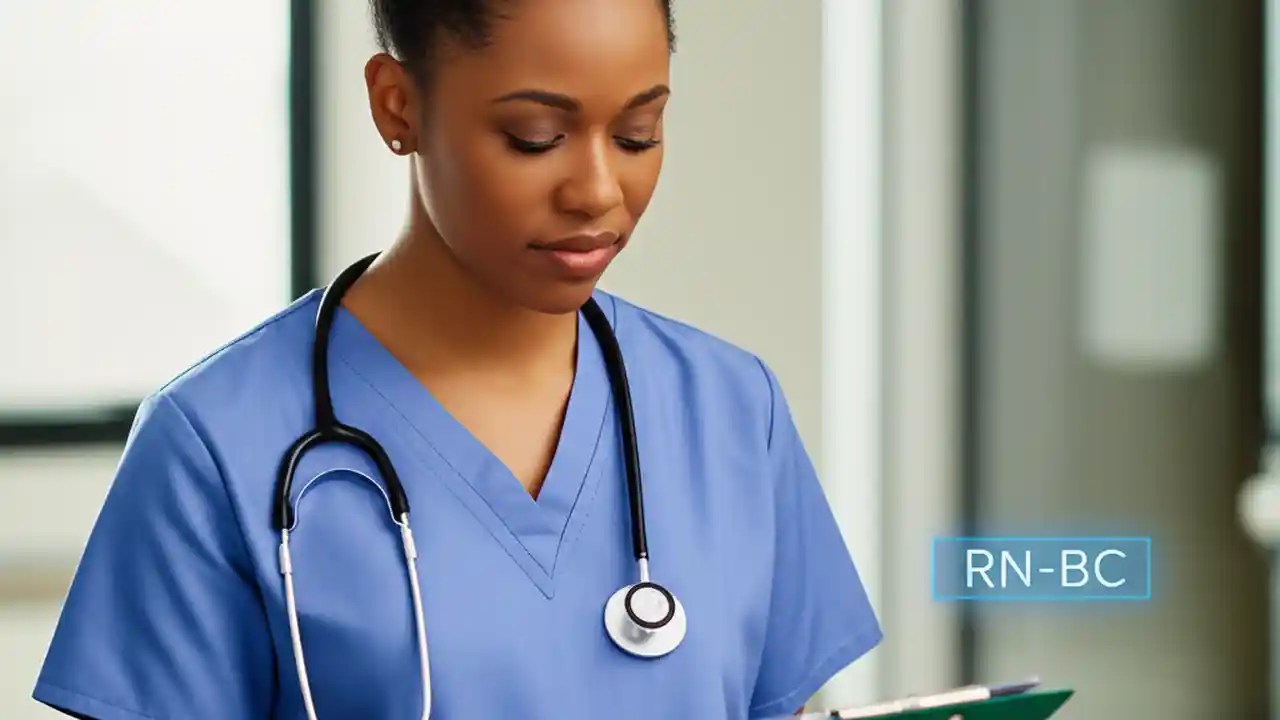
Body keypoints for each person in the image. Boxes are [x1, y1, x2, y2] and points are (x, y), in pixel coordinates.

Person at [32, 0, 882, 717]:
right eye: (535, 137)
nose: (597, 191)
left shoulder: (731, 410)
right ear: (398, 105)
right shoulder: (214, 445)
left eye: (637, 134)